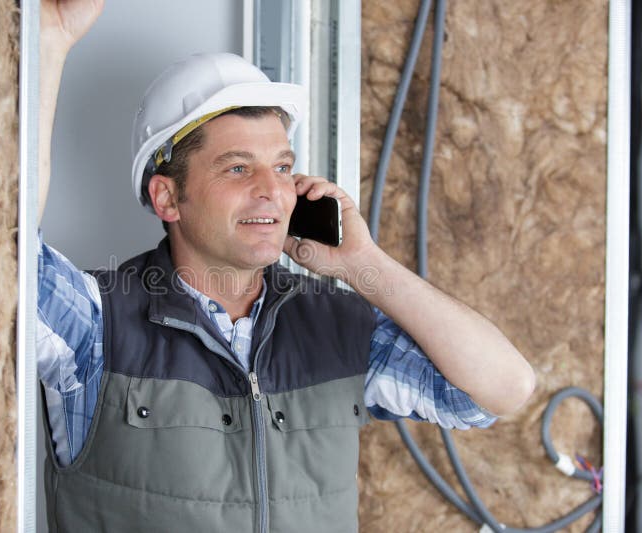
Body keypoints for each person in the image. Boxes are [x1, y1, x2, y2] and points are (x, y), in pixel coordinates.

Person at [36, 1, 536, 532]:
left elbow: (502, 389)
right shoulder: (97, 324)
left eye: (282, 166)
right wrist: (51, 43)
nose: (272, 190)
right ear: (168, 198)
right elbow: (4, 256)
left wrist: (364, 264)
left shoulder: (335, 325)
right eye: (237, 168)